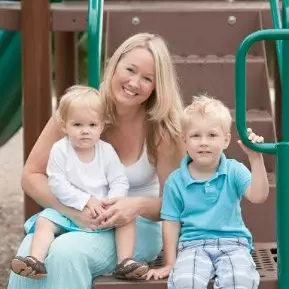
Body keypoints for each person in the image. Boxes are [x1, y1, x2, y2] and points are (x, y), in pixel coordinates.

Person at [8, 33, 185, 289]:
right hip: (75, 214)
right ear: (115, 65)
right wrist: (74, 212)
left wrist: (134, 206)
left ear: (157, 86)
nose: (134, 83)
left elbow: (175, 203)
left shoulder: (162, 130)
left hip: (136, 226)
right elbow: (31, 175)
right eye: (130, 70)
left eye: (147, 78)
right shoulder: (78, 111)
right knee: (30, 252)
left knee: (66, 253)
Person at [11, 85, 149, 280]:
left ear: (102, 125)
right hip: (68, 210)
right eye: (77, 125)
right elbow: (57, 184)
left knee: (127, 220)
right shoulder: (60, 150)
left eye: (92, 125)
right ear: (64, 125)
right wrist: (85, 200)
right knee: (44, 221)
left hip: (103, 210)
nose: (85, 131)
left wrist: (112, 202)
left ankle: (125, 261)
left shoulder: (106, 151)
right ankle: (35, 260)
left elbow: (119, 179)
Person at [145, 95, 269, 289]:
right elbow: (170, 224)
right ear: (184, 140)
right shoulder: (175, 181)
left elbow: (259, 195)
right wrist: (171, 262)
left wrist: (256, 158)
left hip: (233, 244)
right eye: (195, 136)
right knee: (185, 281)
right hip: (192, 245)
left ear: (226, 140)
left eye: (212, 135)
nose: (204, 142)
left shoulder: (234, 170)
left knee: (240, 279)